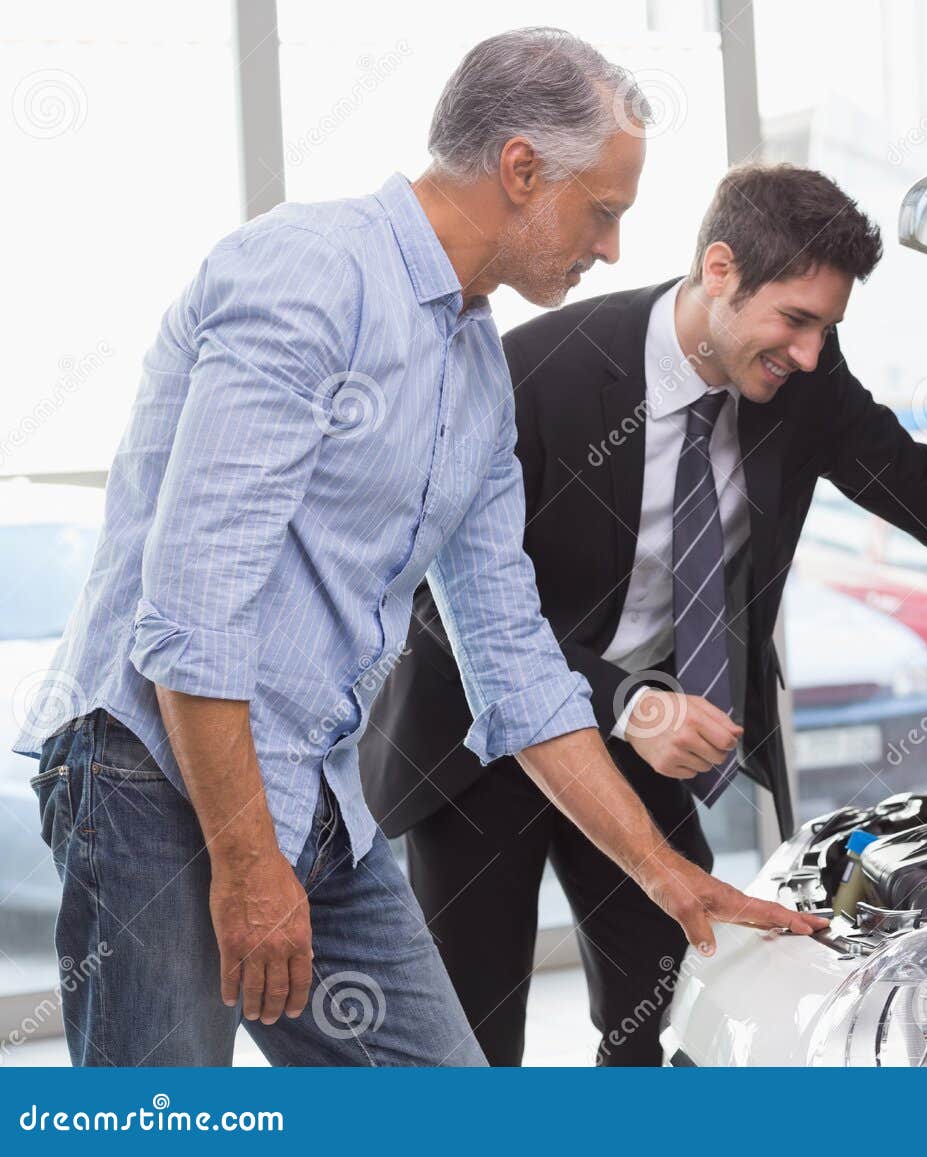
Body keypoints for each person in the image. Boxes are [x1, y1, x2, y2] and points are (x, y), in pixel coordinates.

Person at [13, 29, 821, 1069]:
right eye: (603, 211)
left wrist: (674, 877)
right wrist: (248, 865)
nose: (615, 249)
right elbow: (194, 603)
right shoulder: (310, 269)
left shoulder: (476, 368)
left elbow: (514, 660)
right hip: (155, 776)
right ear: (521, 169)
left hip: (313, 791)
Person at [362, 163, 927, 1066]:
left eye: (827, 327)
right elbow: (443, 599)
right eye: (794, 319)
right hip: (482, 741)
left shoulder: (804, 387)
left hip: (646, 742)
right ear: (719, 271)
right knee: (472, 1045)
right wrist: (625, 699)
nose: (812, 353)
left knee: (666, 1000)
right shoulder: (540, 370)